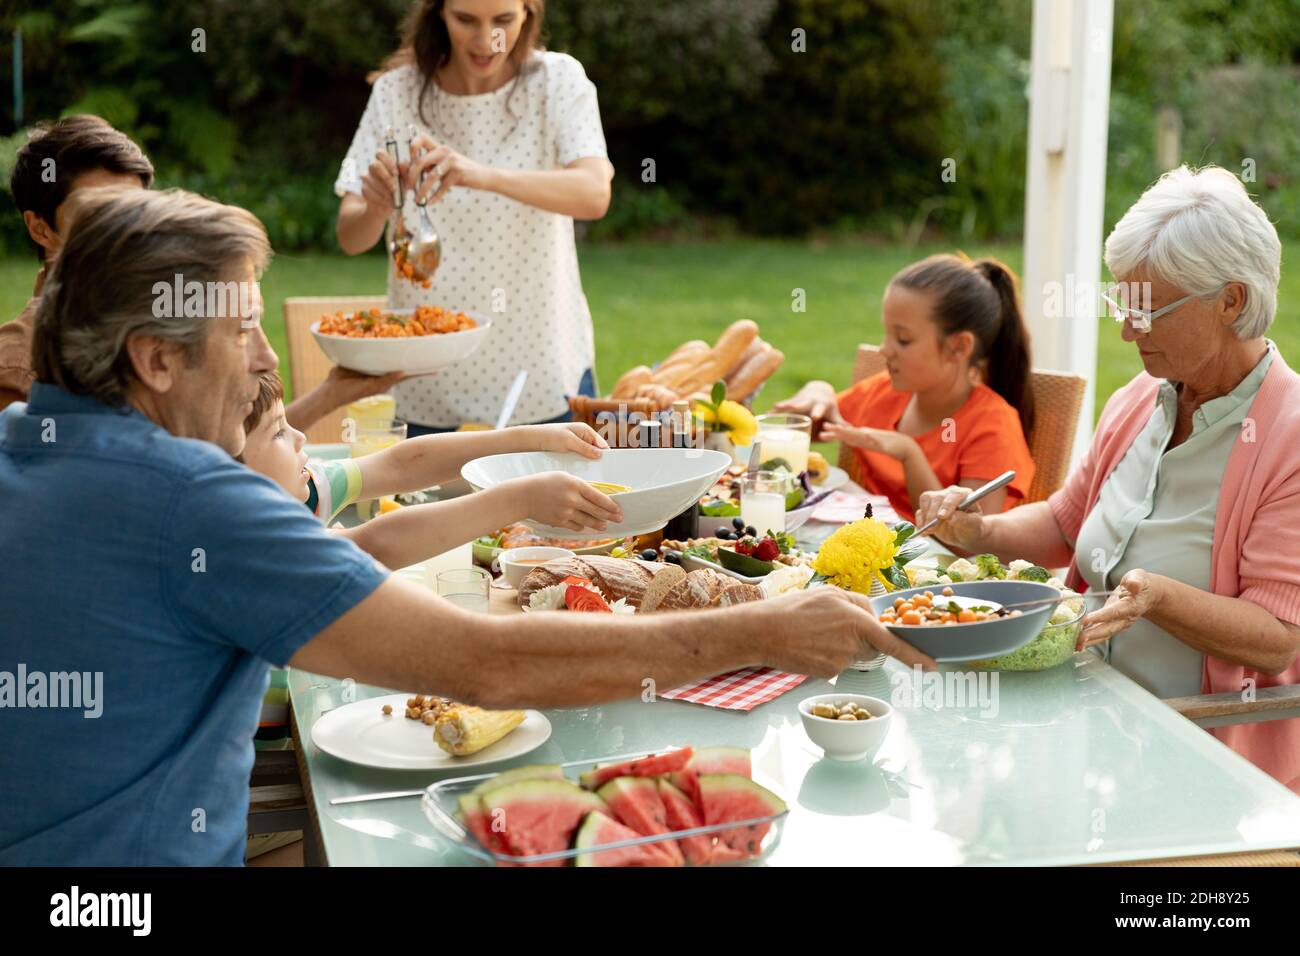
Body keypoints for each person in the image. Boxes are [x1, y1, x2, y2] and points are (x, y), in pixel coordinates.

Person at [0, 186, 932, 865]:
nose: (261, 362)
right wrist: (765, 628)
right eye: (242, 329)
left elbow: (338, 562)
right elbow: (486, 667)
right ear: (157, 359)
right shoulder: (189, 500)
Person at [916, 166, 1300, 793]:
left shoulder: (1289, 437)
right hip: (1079, 717)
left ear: (1231, 301)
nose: (1126, 330)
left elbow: (1279, 639)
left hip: (1201, 756)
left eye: (1149, 311)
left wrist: (1157, 595)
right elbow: (1065, 523)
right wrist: (980, 527)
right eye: (1122, 305)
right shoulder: (1141, 399)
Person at [0, 114, 399, 424]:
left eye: (138, 211)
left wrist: (332, 392)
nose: (128, 232)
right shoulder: (18, 367)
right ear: (40, 227)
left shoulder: (172, 314)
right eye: (100, 213)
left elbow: (231, 451)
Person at [335, 0, 613, 433]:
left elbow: (594, 194)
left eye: (503, 20)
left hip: (542, 379)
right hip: (425, 385)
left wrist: (482, 175)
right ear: (439, 14)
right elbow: (351, 237)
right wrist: (375, 206)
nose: (487, 41)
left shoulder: (557, 80)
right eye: (466, 20)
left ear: (528, 13)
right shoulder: (395, 92)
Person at [239, 370, 625, 562]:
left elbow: (399, 465)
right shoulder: (253, 540)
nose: (301, 437)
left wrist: (529, 438)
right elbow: (376, 544)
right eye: (277, 433)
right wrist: (519, 499)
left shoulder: (306, 490)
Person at [774, 254, 1036, 521]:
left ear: (959, 347)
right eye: (886, 333)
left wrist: (910, 454)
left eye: (903, 339)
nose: (884, 349)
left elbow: (967, 542)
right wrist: (819, 392)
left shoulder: (993, 426)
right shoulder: (882, 393)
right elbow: (809, 430)